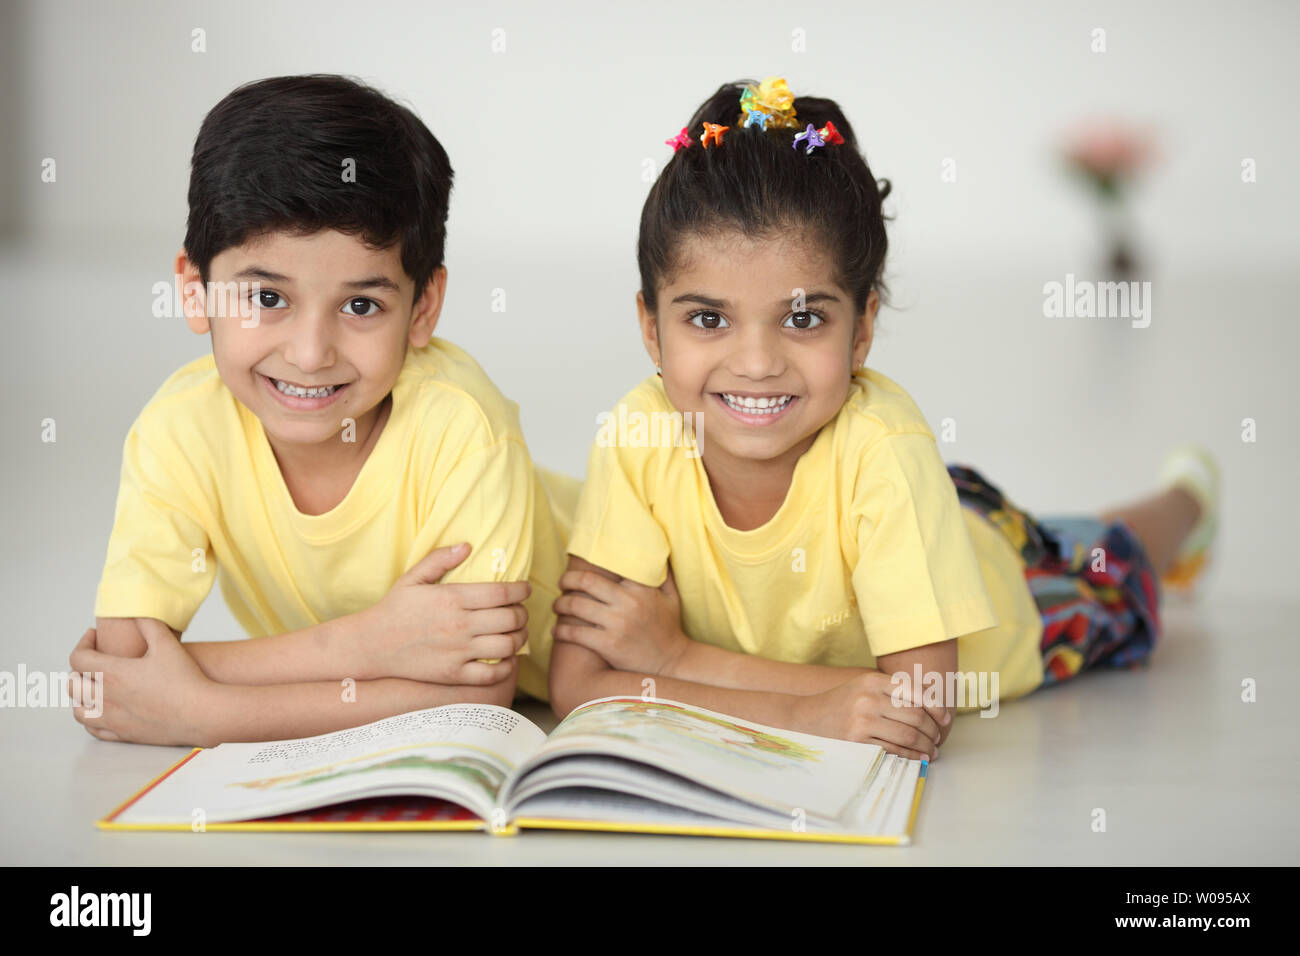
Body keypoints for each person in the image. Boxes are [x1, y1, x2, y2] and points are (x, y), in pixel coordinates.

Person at [548, 77, 1220, 760]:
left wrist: (674, 662)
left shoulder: (886, 451)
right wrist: (796, 704)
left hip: (1006, 590)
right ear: (651, 328)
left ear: (863, 327)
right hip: (914, 526)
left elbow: (918, 712)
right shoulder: (641, 431)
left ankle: (1190, 499)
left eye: (803, 318)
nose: (755, 364)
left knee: (1111, 554)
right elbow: (577, 682)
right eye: (708, 318)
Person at [70, 75, 578, 747]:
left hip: (668, 598)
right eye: (267, 299)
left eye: (361, 305)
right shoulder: (180, 430)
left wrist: (203, 711)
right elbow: (124, 662)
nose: (310, 355)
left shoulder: (463, 425)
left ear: (422, 308)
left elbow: (478, 692)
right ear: (195, 293)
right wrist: (368, 646)